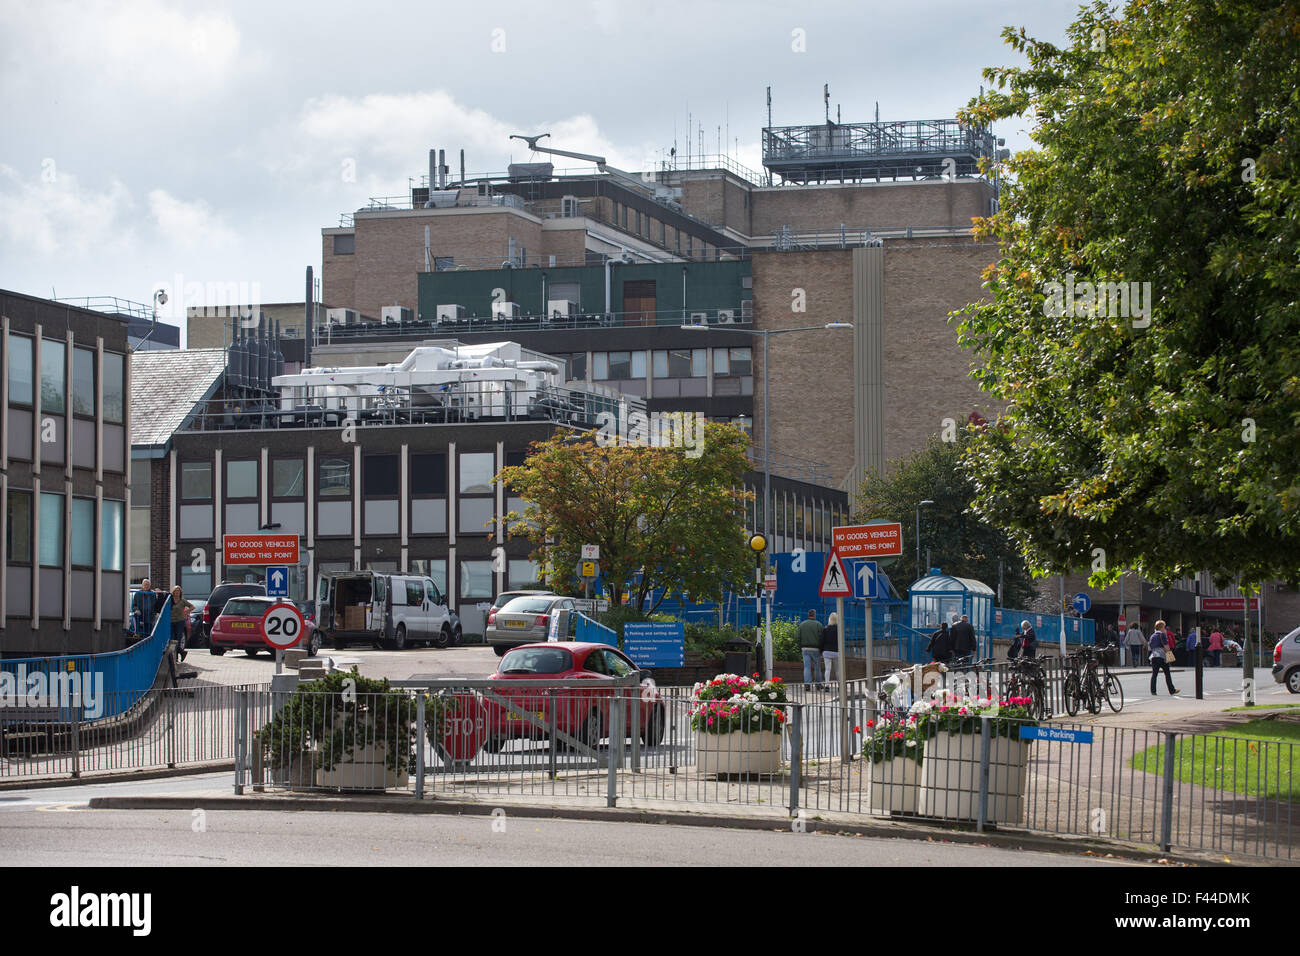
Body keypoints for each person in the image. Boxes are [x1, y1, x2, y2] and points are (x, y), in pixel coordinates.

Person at [1148, 619, 1179, 695]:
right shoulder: (1162, 635)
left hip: (1154, 656)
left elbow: (1150, 647)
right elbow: (1166, 647)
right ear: (1161, 627)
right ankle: (1172, 690)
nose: (1164, 629)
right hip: (1162, 656)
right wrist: (1169, 654)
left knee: (1154, 674)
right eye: (1164, 627)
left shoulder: (1152, 636)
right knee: (1167, 674)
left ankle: (1153, 691)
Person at [797, 609, 824, 685]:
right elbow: (822, 637)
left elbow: (798, 637)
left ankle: (807, 684)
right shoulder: (818, 624)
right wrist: (821, 649)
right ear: (814, 615)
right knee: (817, 667)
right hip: (816, 649)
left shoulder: (802, 624)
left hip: (805, 648)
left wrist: (800, 647)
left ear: (808, 615)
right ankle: (818, 684)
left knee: (807, 667)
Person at [170, 585, 194, 662]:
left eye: (178, 591)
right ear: (173, 592)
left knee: (178, 639)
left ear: (180, 592)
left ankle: (176, 657)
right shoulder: (170, 600)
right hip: (171, 621)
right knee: (172, 639)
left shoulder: (182, 600)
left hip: (180, 621)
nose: (177, 592)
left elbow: (192, 607)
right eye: (176, 591)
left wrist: (186, 612)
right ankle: (182, 652)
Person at [821, 612, 840, 687]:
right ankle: (839, 685)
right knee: (837, 670)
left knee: (827, 669)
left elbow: (822, 640)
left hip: (827, 651)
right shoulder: (839, 629)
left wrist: (821, 650)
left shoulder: (825, 629)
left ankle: (827, 685)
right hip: (836, 651)